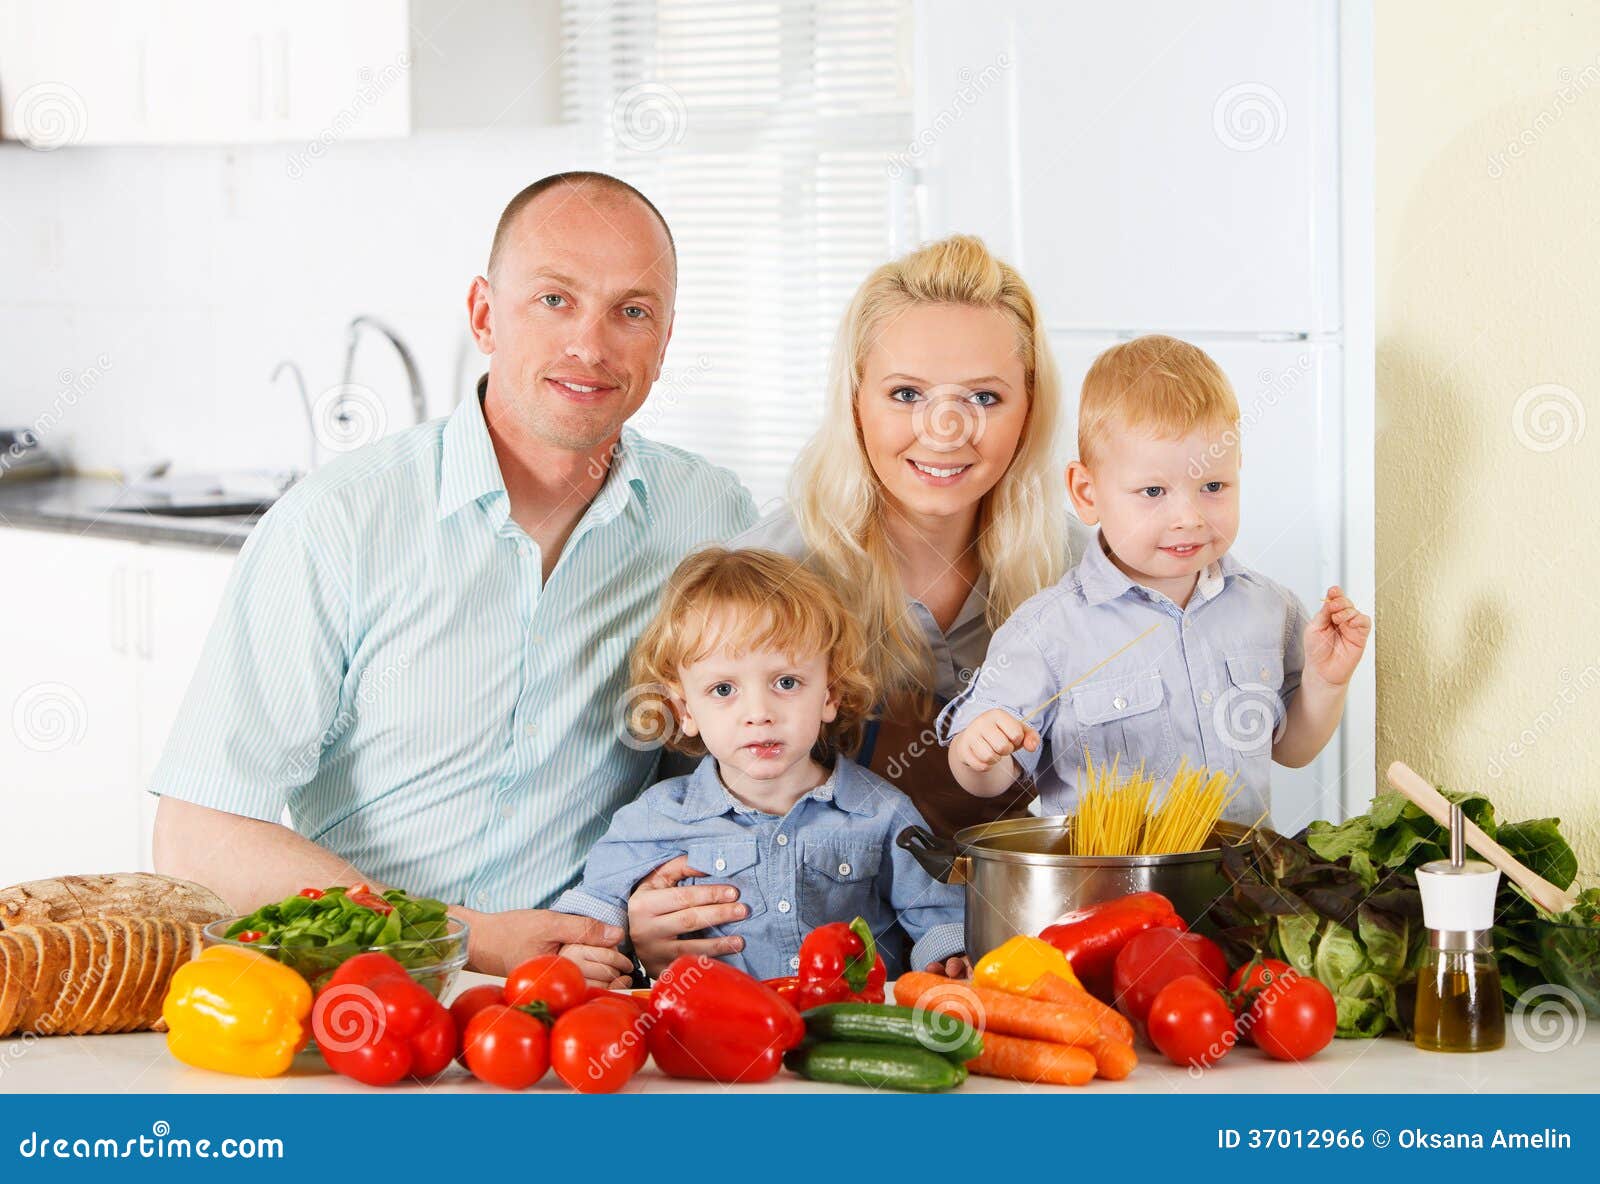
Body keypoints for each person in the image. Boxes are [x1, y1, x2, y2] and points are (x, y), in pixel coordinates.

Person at [151, 172, 756, 977]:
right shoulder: (338, 522)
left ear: (665, 340)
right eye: (554, 300)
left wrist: (660, 899)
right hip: (366, 997)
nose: (591, 345)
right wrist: (458, 935)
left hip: (591, 1004)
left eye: (632, 312)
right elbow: (198, 837)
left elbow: (737, 768)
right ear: (484, 315)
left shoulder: (708, 517)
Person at [623, 234, 1089, 974]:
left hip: (1047, 951)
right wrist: (647, 922)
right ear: (855, 401)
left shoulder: (1081, 573)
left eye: (984, 396)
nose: (946, 429)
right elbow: (688, 796)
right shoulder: (776, 574)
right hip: (831, 976)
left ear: (1029, 407)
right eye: (907, 394)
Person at [940, 334, 1372, 825]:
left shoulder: (1271, 609)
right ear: (1087, 492)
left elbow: (1292, 750)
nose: (1188, 517)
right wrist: (982, 752)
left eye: (1213, 487)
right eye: (1152, 491)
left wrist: (1326, 682)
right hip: (1111, 893)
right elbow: (985, 778)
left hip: (1240, 888)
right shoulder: (1048, 631)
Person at [552, 548, 968, 986]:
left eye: (786, 682)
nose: (758, 713)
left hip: (845, 1033)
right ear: (684, 708)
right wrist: (584, 954)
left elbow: (936, 916)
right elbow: (595, 910)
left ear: (829, 694)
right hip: (710, 1034)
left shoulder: (881, 812)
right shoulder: (656, 818)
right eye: (723, 688)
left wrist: (950, 959)